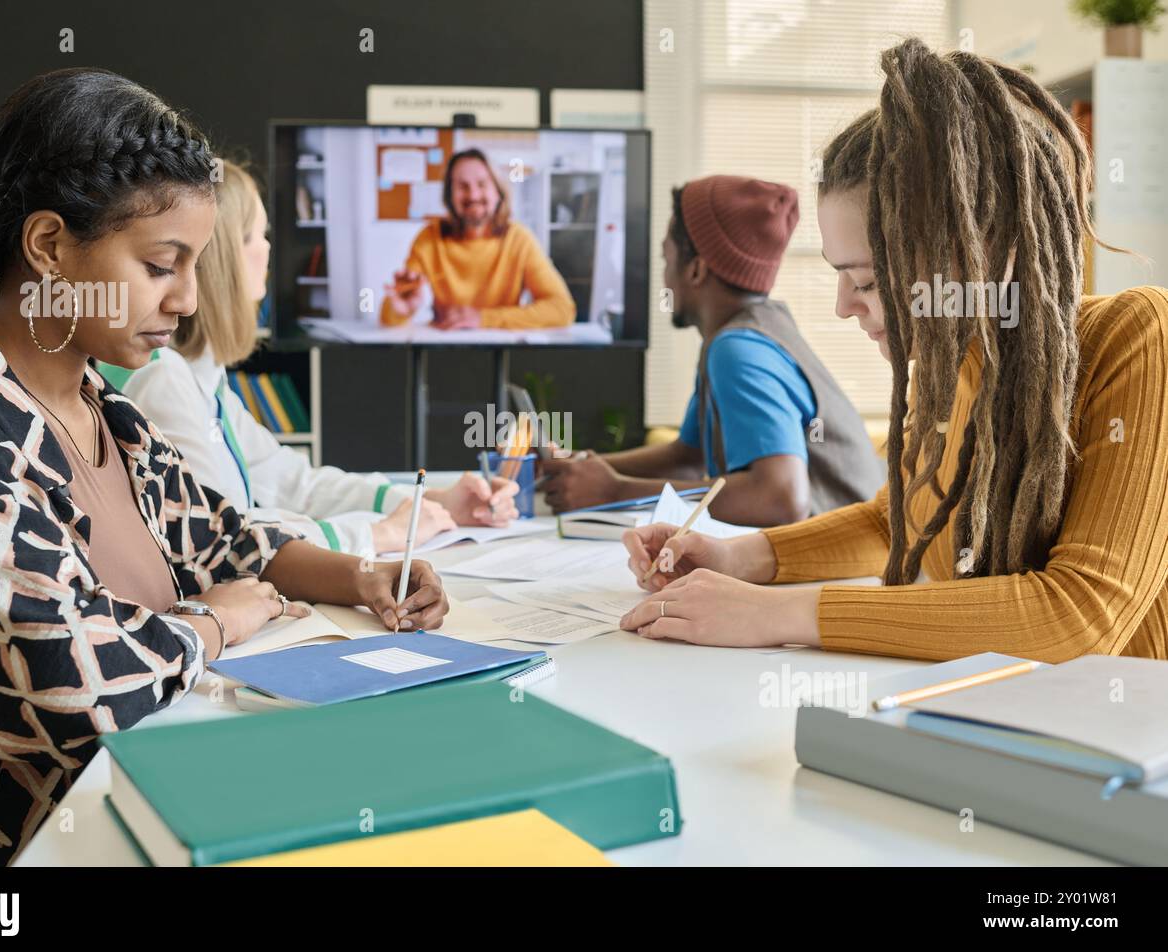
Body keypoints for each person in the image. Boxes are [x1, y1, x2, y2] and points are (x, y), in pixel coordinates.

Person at [0, 69, 447, 866]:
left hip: (148, 811)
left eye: (195, 267)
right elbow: (68, 679)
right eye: (160, 266)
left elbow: (227, 543)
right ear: (49, 247)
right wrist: (215, 622)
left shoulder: (113, 414)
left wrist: (361, 577)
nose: (185, 301)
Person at [618, 38, 1168, 663]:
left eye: (870, 281)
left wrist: (775, 614)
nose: (844, 306)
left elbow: (1080, 614)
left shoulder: (1138, 335)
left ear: (981, 248)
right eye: (840, 274)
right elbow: (894, 522)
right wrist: (737, 557)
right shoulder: (952, 369)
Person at [122, 160, 519, 557]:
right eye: (258, 234)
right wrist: (376, 534)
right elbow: (224, 539)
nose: (268, 247)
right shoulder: (164, 379)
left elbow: (294, 482)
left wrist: (429, 501)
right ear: (226, 254)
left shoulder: (205, 378)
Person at [540, 176, 883, 525]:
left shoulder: (738, 350)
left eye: (666, 259)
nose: (664, 280)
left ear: (696, 268)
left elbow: (780, 498)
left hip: (848, 569)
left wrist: (615, 492)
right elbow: (688, 456)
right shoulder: (753, 330)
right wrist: (580, 467)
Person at [380, 148, 575, 330]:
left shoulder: (519, 239)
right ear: (449, 196)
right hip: (446, 347)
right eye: (462, 186)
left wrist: (483, 318)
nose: (473, 195)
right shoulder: (430, 238)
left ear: (498, 192)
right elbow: (389, 317)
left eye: (482, 184)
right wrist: (400, 310)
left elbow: (562, 309)